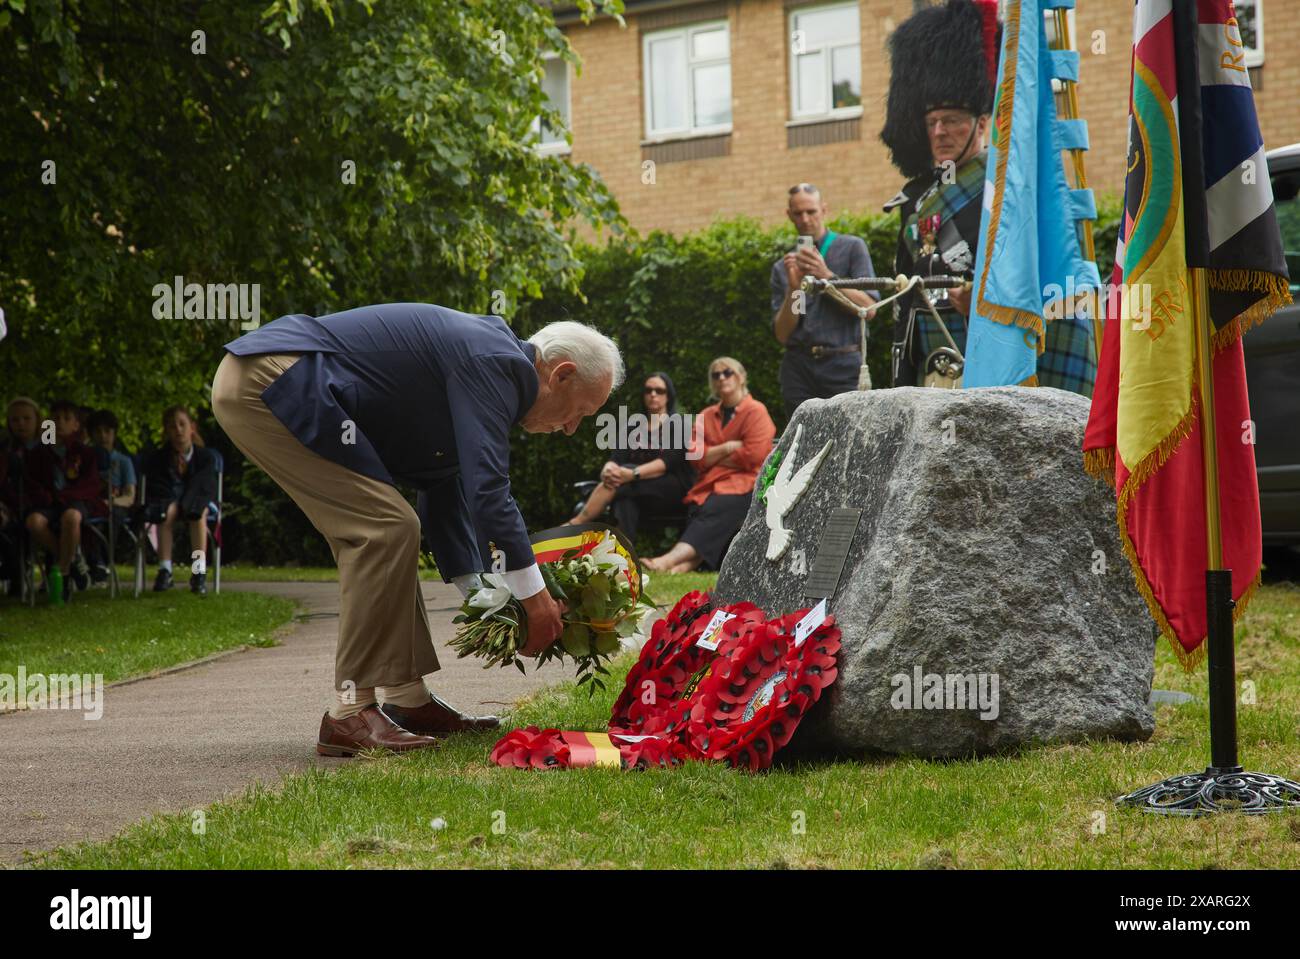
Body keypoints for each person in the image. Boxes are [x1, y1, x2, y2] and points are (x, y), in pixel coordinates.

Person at [213, 304, 622, 757]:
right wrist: (535, 598)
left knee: (393, 527)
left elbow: (443, 485)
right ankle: (349, 711)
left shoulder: (489, 363)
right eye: (579, 412)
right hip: (272, 379)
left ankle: (407, 699)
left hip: (271, 377)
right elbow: (490, 492)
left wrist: (487, 599)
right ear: (560, 375)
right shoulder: (495, 361)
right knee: (385, 529)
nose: (570, 429)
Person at [880, 0, 998, 387]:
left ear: (981, 122)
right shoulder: (916, 197)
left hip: (983, 353)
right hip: (927, 361)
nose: (939, 132)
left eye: (951, 120)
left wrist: (981, 308)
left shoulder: (1003, 189)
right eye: (931, 121)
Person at [643, 357, 775, 573]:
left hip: (745, 486)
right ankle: (682, 567)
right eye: (716, 374)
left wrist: (712, 457)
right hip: (708, 487)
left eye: (727, 372)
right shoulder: (706, 415)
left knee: (716, 508)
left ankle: (665, 562)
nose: (722, 377)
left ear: (741, 377)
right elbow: (695, 457)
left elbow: (754, 455)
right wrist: (728, 448)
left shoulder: (756, 411)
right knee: (704, 509)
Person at [771, 184, 877, 412]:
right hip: (799, 368)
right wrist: (794, 289)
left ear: (824, 210)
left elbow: (868, 309)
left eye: (811, 211)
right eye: (798, 214)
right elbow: (783, 333)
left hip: (843, 363)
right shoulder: (784, 267)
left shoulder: (851, 248)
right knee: (801, 441)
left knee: (850, 439)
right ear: (789, 216)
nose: (805, 219)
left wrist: (826, 276)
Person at [568, 370, 693, 539]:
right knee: (624, 497)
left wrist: (632, 474)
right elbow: (616, 458)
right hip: (632, 486)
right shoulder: (633, 425)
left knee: (623, 481)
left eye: (659, 391)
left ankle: (575, 524)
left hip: (671, 490)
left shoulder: (679, 424)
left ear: (668, 395)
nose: (653, 395)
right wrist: (608, 469)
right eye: (648, 390)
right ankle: (623, 553)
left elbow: (667, 463)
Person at [24, 399, 100, 601]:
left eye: (67, 419)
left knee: (71, 517)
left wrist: (67, 496)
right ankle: (71, 559)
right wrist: (47, 497)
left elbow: (90, 485)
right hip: (48, 503)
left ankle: (64, 573)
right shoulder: (40, 451)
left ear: (76, 424)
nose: (60, 422)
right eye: (56, 418)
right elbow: (32, 481)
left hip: (75, 502)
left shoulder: (85, 453)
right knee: (34, 522)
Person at [141, 406, 216, 595]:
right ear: (166, 431)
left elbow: (204, 486)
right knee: (165, 515)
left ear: (192, 427)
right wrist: (174, 503)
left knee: (197, 516)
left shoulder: (205, 457)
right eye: (173, 427)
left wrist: (188, 504)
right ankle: (165, 569)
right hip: (170, 499)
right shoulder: (159, 459)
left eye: (182, 425)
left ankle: (198, 571)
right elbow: (158, 487)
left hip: (196, 500)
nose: (178, 430)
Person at [86, 409, 138, 584]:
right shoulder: (85, 459)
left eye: (107, 431)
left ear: (114, 433)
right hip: (90, 506)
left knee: (111, 517)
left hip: (116, 506)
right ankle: (93, 563)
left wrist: (111, 501)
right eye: (98, 431)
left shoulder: (124, 461)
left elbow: (130, 496)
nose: (103, 436)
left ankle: (103, 562)